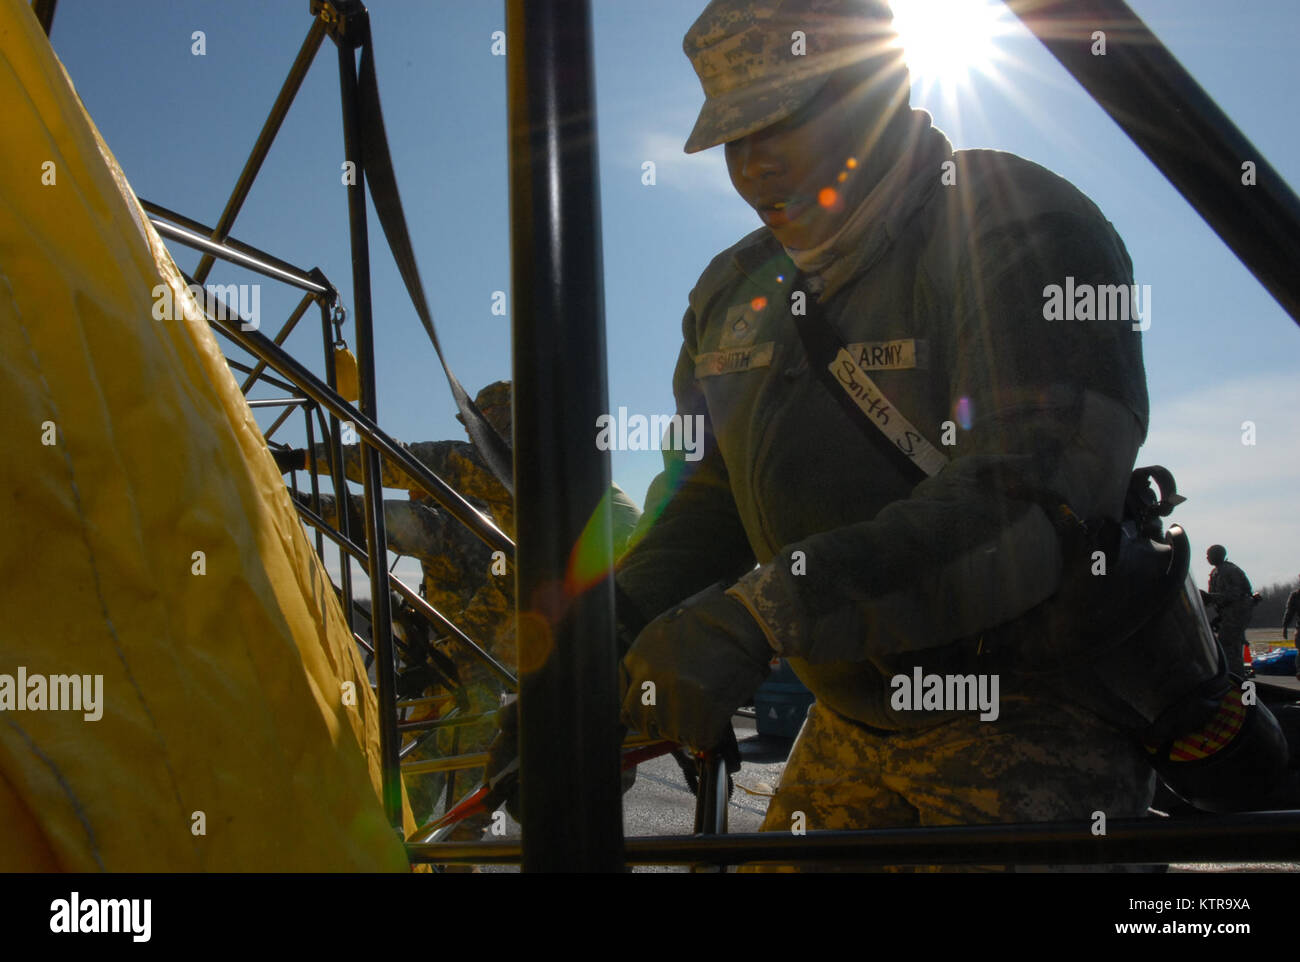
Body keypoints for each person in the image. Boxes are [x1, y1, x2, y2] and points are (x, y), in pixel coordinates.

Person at [614, 0, 1157, 870]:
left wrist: (763, 614)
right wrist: (607, 638)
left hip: (1027, 711)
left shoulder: (1020, 227)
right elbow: (708, 499)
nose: (752, 165)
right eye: (730, 138)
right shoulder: (731, 294)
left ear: (881, 88)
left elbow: (1029, 495)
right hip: (855, 718)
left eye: (780, 121)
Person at [1204, 544, 1253, 679]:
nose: (1207, 557)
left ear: (1218, 555)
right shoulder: (1216, 572)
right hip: (1227, 615)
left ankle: (1236, 679)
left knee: (1229, 647)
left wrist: (1209, 597)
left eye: (1209, 554)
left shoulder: (1230, 571)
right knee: (1225, 646)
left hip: (1237, 615)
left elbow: (1234, 595)